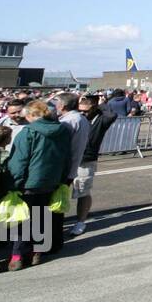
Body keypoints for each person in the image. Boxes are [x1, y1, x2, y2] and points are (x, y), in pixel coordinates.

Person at [4, 100, 71, 269]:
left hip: (28, 182)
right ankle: (36, 252)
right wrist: (62, 179)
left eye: (26, 115)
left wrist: (13, 183)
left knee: (22, 220)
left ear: (32, 115)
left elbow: (19, 161)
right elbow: (66, 158)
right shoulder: (63, 131)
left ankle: (17, 256)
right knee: (41, 217)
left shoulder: (28, 133)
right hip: (51, 181)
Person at [51, 93, 90, 255]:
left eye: (56, 104)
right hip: (70, 167)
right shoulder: (81, 119)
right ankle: (55, 240)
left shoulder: (68, 121)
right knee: (57, 206)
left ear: (62, 106)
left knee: (54, 208)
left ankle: (53, 241)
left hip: (64, 169)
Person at [70, 93, 113, 235]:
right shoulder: (76, 118)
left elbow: (111, 115)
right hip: (69, 159)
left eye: (86, 110)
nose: (82, 113)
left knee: (82, 191)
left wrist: (102, 103)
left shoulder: (101, 119)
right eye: (80, 110)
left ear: (94, 107)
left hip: (86, 160)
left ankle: (80, 221)